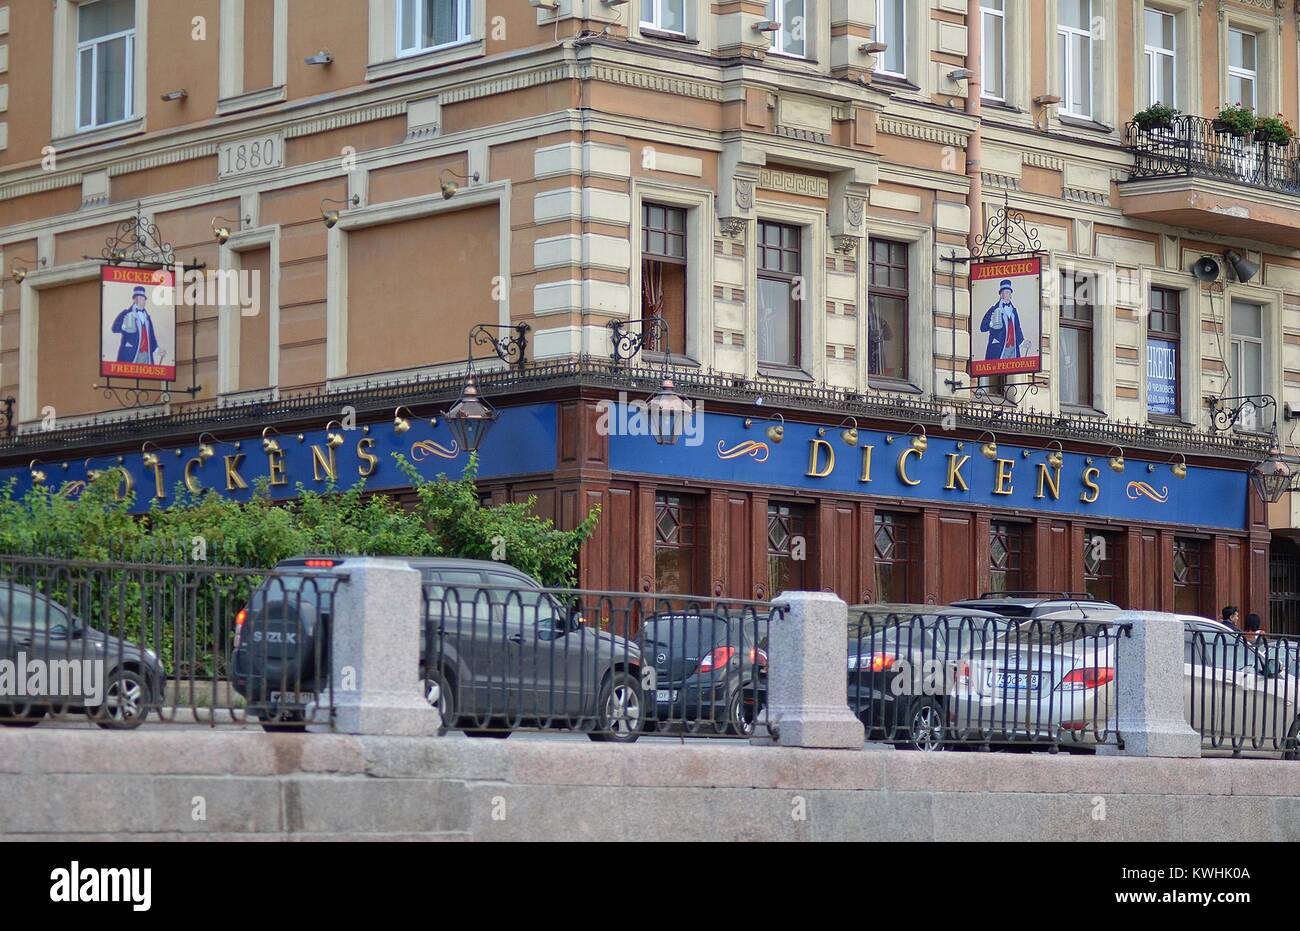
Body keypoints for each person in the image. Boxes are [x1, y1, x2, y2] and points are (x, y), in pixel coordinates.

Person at [979, 279, 1029, 363]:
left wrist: (1023, 342)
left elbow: (1017, 328)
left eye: (1009, 293)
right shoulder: (994, 309)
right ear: (1001, 294)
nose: (1008, 295)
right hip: (998, 348)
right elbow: (983, 327)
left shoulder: (1013, 310)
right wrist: (992, 324)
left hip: (1013, 349)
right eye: (1006, 292)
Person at [110, 285, 161, 368]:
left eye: (144, 299)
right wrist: (124, 326)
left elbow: (151, 336)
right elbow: (114, 328)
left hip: (146, 354)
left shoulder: (147, 317)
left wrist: (157, 350)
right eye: (140, 298)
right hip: (130, 353)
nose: (143, 301)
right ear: (135, 299)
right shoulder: (126, 313)